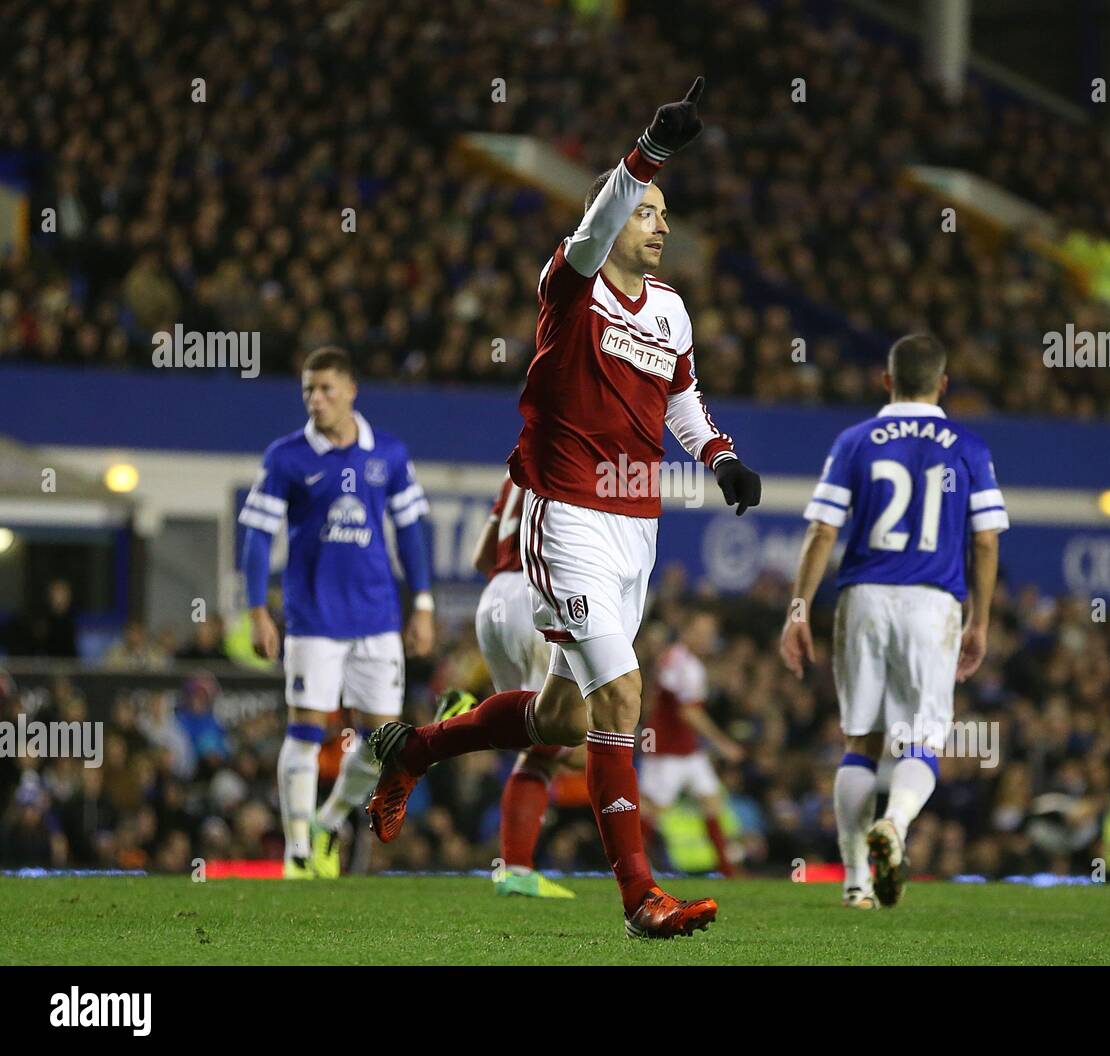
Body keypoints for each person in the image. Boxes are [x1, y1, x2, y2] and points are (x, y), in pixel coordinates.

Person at [367, 79, 762, 938]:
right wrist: (645, 154)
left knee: (562, 718)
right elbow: (595, 224)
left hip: (638, 530)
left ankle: (417, 750)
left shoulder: (672, 310)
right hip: (570, 518)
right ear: (612, 221)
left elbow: (683, 404)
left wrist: (721, 458)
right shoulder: (571, 284)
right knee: (622, 697)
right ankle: (639, 899)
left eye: (664, 214)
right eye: (648, 211)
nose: (661, 224)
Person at [780, 334, 1008, 908]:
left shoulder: (856, 440)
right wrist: (980, 619)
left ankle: (856, 881)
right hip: (933, 601)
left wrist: (798, 608)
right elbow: (984, 541)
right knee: (921, 740)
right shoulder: (967, 446)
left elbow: (823, 531)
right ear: (944, 384)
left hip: (863, 596)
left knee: (861, 739)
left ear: (887, 381)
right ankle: (896, 826)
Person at [238, 345, 434, 879]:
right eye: (308, 390)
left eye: (326, 389)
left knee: (381, 740)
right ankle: (298, 851)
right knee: (305, 729)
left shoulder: (388, 454)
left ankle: (327, 821)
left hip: (376, 618)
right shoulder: (286, 456)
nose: (316, 400)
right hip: (313, 619)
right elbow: (256, 535)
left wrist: (422, 604)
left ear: (351, 391)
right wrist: (257, 609)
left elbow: (412, 532)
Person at [470, 469, 580, 899]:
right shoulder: (578, 452)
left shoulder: (515, 467)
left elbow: (481, 556)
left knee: (533, 738)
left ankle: (516, 867)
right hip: (537, 595)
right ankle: (461, 724)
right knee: (549, 738)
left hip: (494, 596)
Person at [640, 610, 744, 876]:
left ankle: (727, 870)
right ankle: (631, 868)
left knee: (711, 801)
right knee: (652, 809)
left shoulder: (681, 660)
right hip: (666, 750)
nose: (707, 638)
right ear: (686, 631)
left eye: (710, 633)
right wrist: (723, 744)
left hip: (688, 749)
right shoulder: (683, 663)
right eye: (701, 631)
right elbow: (688, 712)